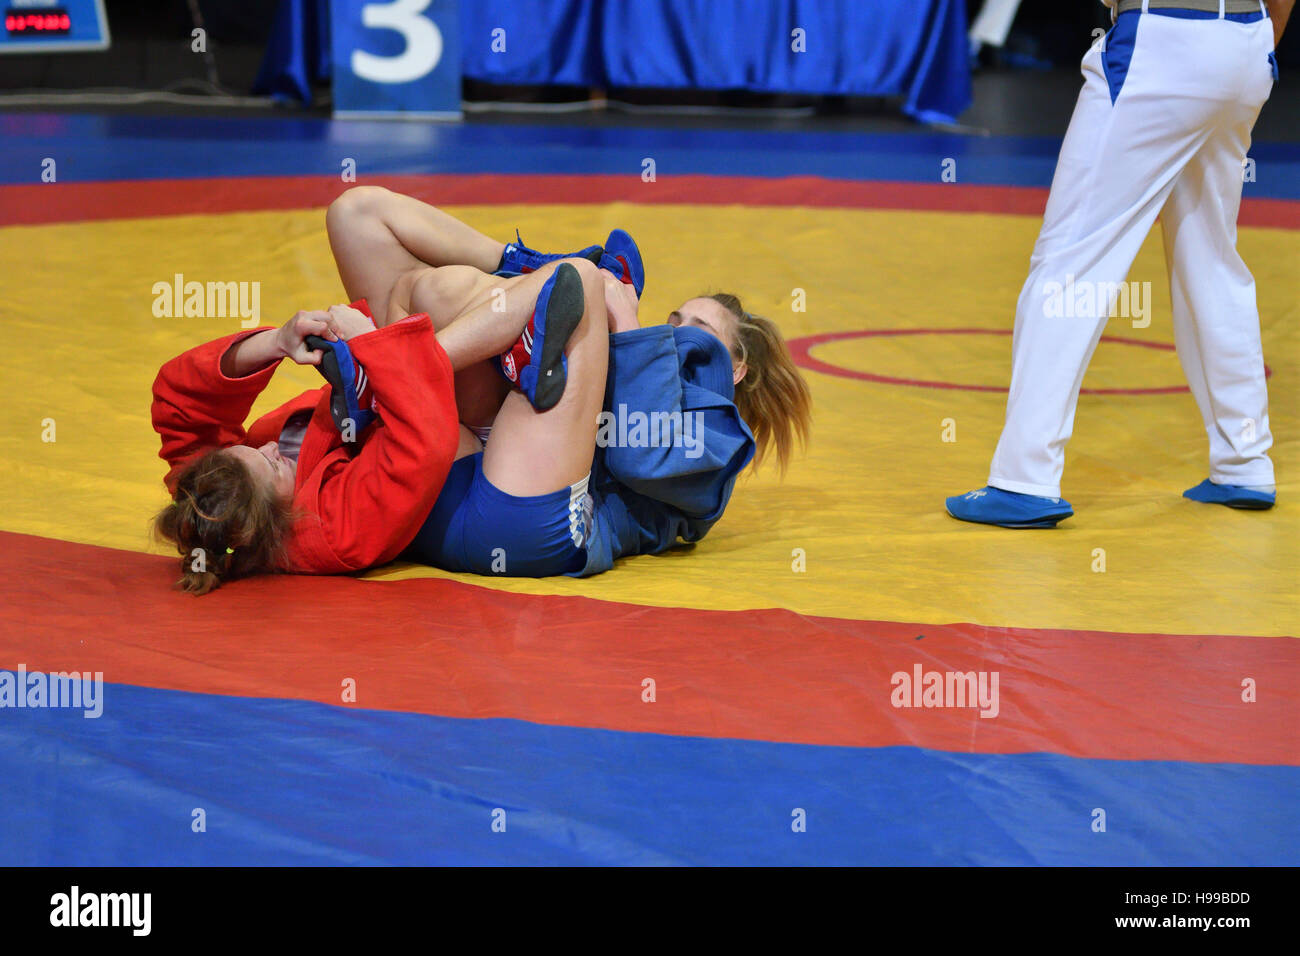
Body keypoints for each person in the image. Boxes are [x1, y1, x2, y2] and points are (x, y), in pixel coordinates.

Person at [322, 186, 813, 577]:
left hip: (529, 523)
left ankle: (390, 371)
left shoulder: (720, 442)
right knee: (376, 234)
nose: (677, 332)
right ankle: (521, 273)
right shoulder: (635, 369)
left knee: (576, 279)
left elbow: (638, 455)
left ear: (738, 368)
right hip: (432, 497)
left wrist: (623, 318)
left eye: (698, 332)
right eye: (674, 317)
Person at [947, 0, 1291, 528]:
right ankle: (1244, 461)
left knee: (1072, 259)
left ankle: (1024, 478)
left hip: (1164, 40)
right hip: (1246, 40)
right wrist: (1258, 46)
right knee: (1212, 254)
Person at [151, 254, 591, 592]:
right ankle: (551, 324)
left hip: (455, 460)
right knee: (587, 279)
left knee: (413, 274)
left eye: (249, 448)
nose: (269, 447)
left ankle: (518, 317)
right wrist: (371, 345)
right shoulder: (327, 533)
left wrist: (273, 343)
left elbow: (179, 401)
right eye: (274, 465)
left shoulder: (211, 503)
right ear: (273, 520)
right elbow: (422, 445)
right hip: (485, 511)